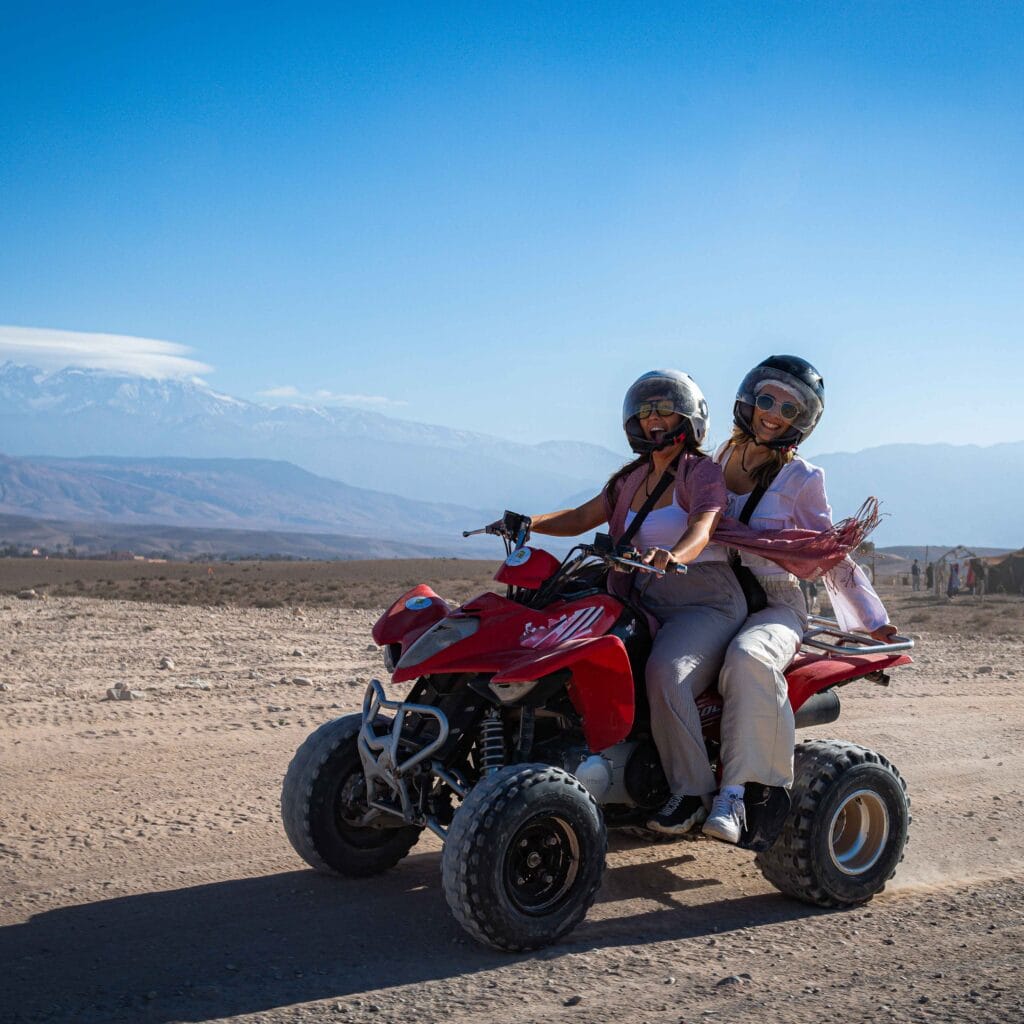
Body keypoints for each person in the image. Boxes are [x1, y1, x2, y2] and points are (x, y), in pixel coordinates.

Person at [527, 369, 747, 834]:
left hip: (703, 602)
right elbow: (583, 516)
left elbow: (704, 524)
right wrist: (530, 523)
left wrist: (675, 555)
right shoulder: (631, 478)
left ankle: (692, 794)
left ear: (688, 417)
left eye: (665, 407)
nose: (653, 417)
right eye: (646, 410)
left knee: (666, 673)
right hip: (641, 599)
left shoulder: (701, 472)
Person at [703, 355, 899, 844]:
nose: (774, 414)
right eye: (767, 399)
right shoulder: (717, 457)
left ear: (804, 421)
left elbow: (827, 553)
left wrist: (871, 620)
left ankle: (738, 794)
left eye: (790, 408)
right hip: (705, 592)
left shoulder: (803, 479)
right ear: (749, 399)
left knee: (749, 657)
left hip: (772, 603)